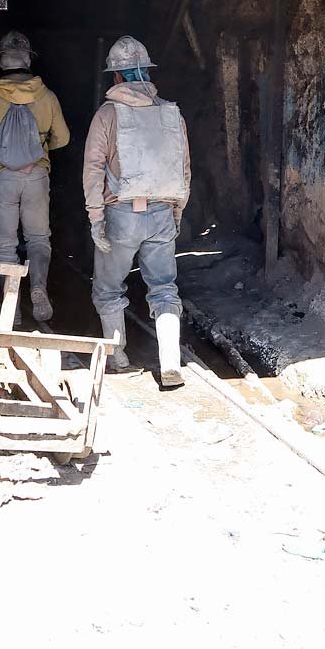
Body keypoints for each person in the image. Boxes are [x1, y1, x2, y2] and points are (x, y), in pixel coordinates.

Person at [83, 35, 191, 388]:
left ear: (116, 77)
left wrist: (96, 217)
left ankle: (118, 356)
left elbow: (94, 169)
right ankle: (170, 361)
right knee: (163, 289)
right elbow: (183, 169)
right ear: (147, 73)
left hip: (121, 216)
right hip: (162, 211)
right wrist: (176, 213)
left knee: (108, 289)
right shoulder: (171, 113)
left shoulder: (106, 115)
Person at [0, 30, 70, 325]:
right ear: (28, 60)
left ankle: (12, 305)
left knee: (5, 246)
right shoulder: (47, 96)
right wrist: (38, 147)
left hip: (1, 178)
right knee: (38, 239)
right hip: (36, 175)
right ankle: (38, 286)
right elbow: (62, 138)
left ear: (1, 63)